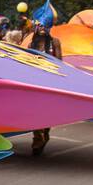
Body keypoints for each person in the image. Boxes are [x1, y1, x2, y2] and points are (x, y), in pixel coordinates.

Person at [26, 22, 63, 155]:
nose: (42, 28)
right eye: (40, 26)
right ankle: (37, 139)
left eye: (45, 26)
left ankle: (45, 133)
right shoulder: (31, 45)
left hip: (50, 84)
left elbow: (60, 63)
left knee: (47, 114)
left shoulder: (55, 42)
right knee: (35, 113)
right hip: (36, 84)